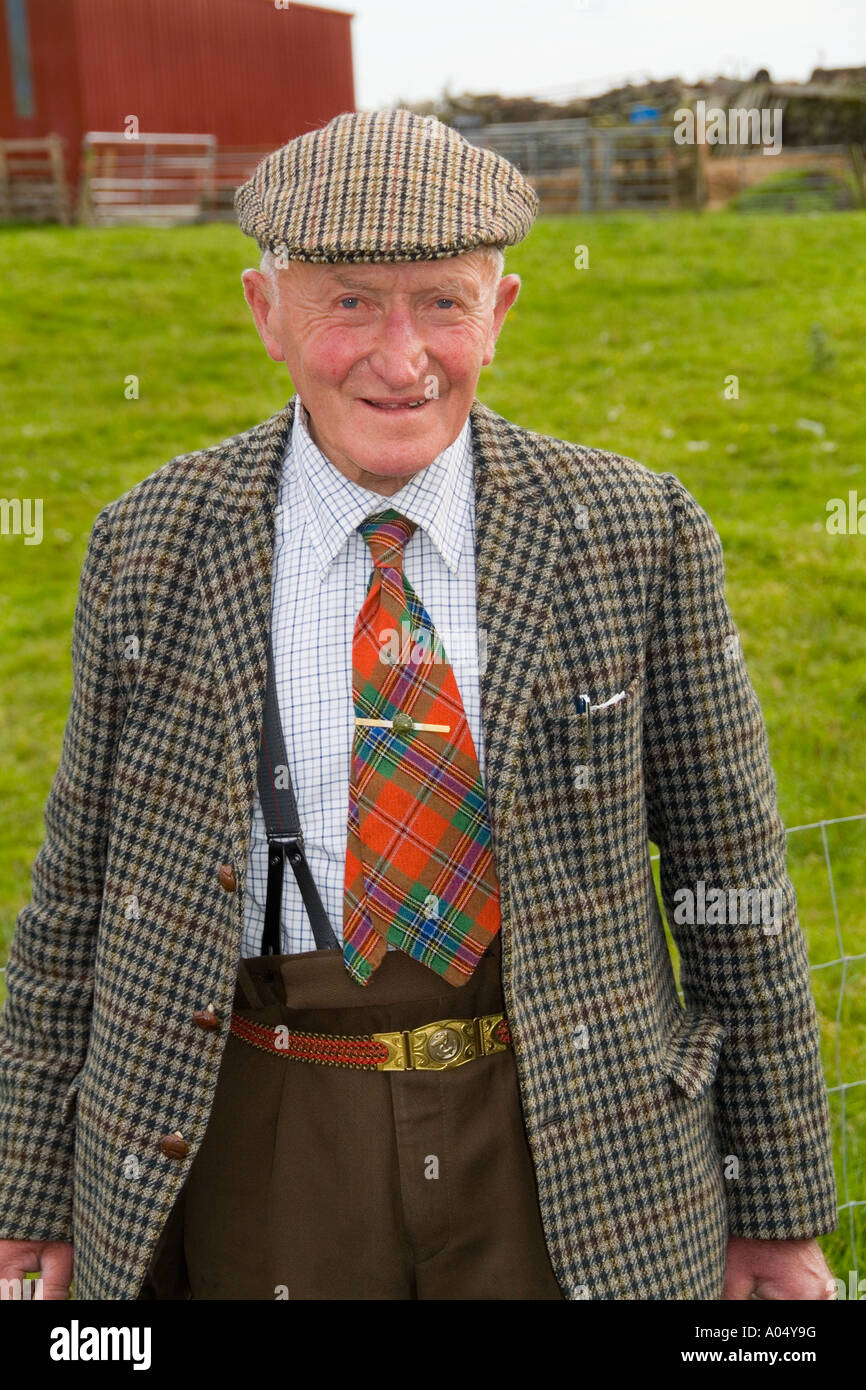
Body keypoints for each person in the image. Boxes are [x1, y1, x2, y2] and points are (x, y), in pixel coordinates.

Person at [0, 108, 838, 1301]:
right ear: (263, 311)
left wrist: (776, 1203)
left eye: (441, 303)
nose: (402, 361)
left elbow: (734, 888)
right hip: (266, 1129)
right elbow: (74, 891)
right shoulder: (151, 545)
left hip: (569, 1142)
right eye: (347, 302)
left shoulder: (636, 533)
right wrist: (30, 1191)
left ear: (497, 314)